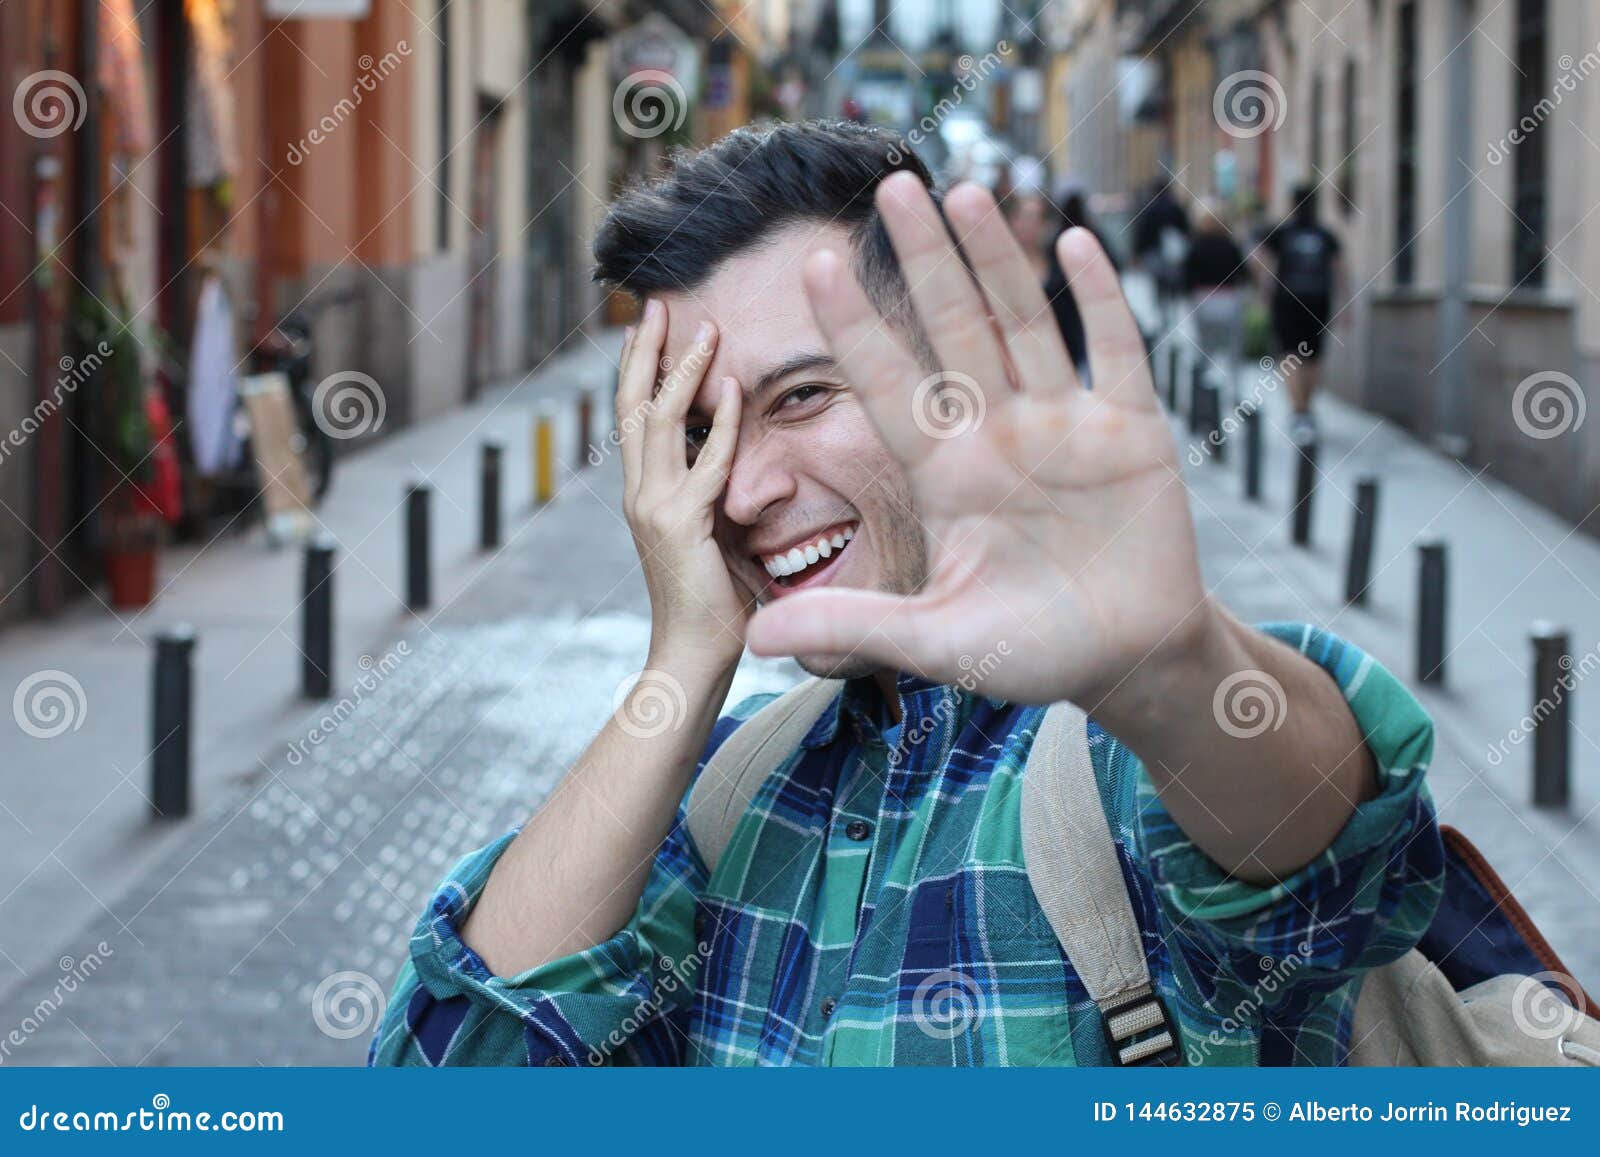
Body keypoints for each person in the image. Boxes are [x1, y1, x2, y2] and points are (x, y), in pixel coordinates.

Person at [370, 121, 1441, 1068]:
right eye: (698, 432)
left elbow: (1334, 860)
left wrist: (1166, 668)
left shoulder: (1116, 758)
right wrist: (683, 662)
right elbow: (452, 1080)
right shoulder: (724, 794)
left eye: (801, 395)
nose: (743, 486)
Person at [1261, 183, 1343, 444]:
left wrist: (1265, 288)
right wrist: (1344, 302)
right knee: (1313, 357)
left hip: (1287, 301)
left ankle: (1299, 411)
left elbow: (1258, 258)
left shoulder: (1282, 233)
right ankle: (1307, 408)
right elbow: (1340, 269)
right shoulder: (1325, 235)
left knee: (1290, 355)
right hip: (1319, 300)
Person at [1182, 198, 1252, 403]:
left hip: (1203, 302)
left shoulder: (1195, 247)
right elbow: (1244, 274)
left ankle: (1203, 394)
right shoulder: (1230, 246)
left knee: (1205, 350)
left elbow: (1186, 279)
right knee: (1231, 352)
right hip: (1228, 302)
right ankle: (1232, 392)